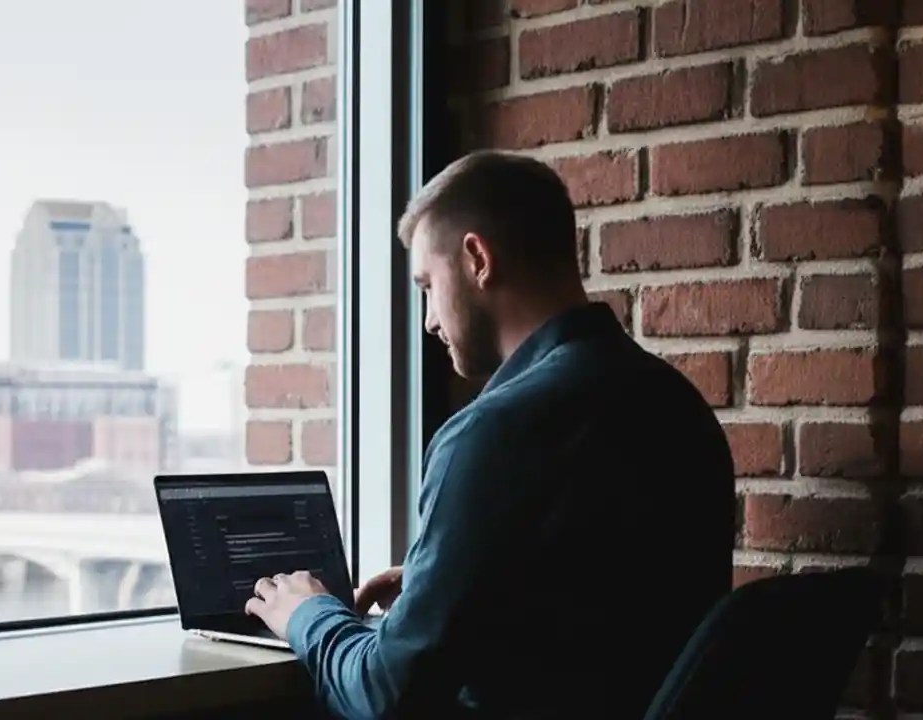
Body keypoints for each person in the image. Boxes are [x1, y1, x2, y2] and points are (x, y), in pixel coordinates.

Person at [245, 151, 736, 719]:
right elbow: (616, 603)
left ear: (478, 258)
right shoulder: (674, 402)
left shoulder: (492, 432)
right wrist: (458, 586)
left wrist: (308, 614)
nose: (428, 320)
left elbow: (385, 696)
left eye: (427, 284)